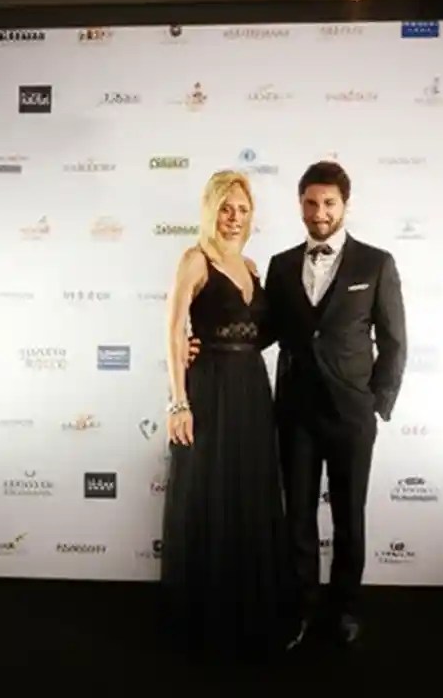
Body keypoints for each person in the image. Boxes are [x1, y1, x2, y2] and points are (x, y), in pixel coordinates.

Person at [265, 161, 407, 648]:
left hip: (350, 413)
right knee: (298, 516)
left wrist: (378, 402)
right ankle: (301, 608)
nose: (319, 212)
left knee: (350, 516)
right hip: (296, 413)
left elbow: (394, 341)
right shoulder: (280, 265)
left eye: (328, 203)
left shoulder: (375, 263)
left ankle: (345, 607)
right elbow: (265, 330)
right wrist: (214, 342)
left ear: (345, 205)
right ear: (299, 204)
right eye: (310, 202)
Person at [159, 170, 299, 661]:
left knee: (246, 492)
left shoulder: (253, 267)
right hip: (210, 390)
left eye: (242, 209)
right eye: (225, 207)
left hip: (251, 391)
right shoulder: (195, 260)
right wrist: (179, 401)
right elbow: (174, 331)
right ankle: (204, 617)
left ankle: (248, 612)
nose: (234, 217)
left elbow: (256, 333)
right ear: (210, 210)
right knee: (208, 493)